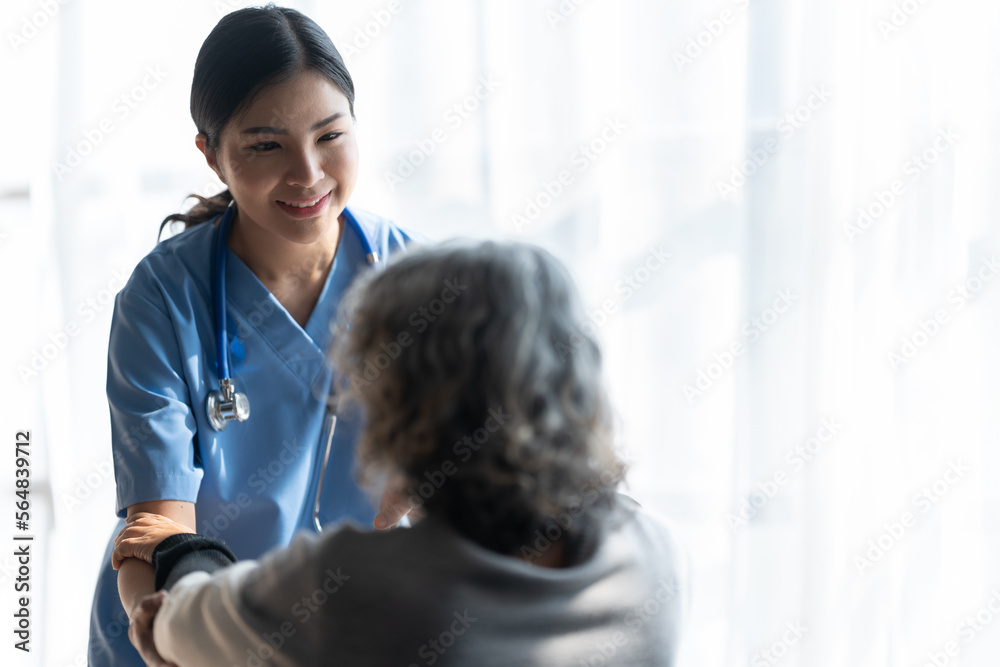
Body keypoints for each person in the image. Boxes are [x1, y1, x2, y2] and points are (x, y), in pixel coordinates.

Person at [112, 241, 689, 667]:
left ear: (398, 405)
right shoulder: (653, 551)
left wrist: (184, 552)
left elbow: (173, 631)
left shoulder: (355, 583)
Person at [88, 6, 421, 665]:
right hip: (189, 620)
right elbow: (156, 521)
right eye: (265, 145)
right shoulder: (162, 300)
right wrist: (168, 625)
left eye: (330, 135)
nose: (307, 172)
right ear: (212, 155)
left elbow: (464, 482)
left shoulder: (415, 281)